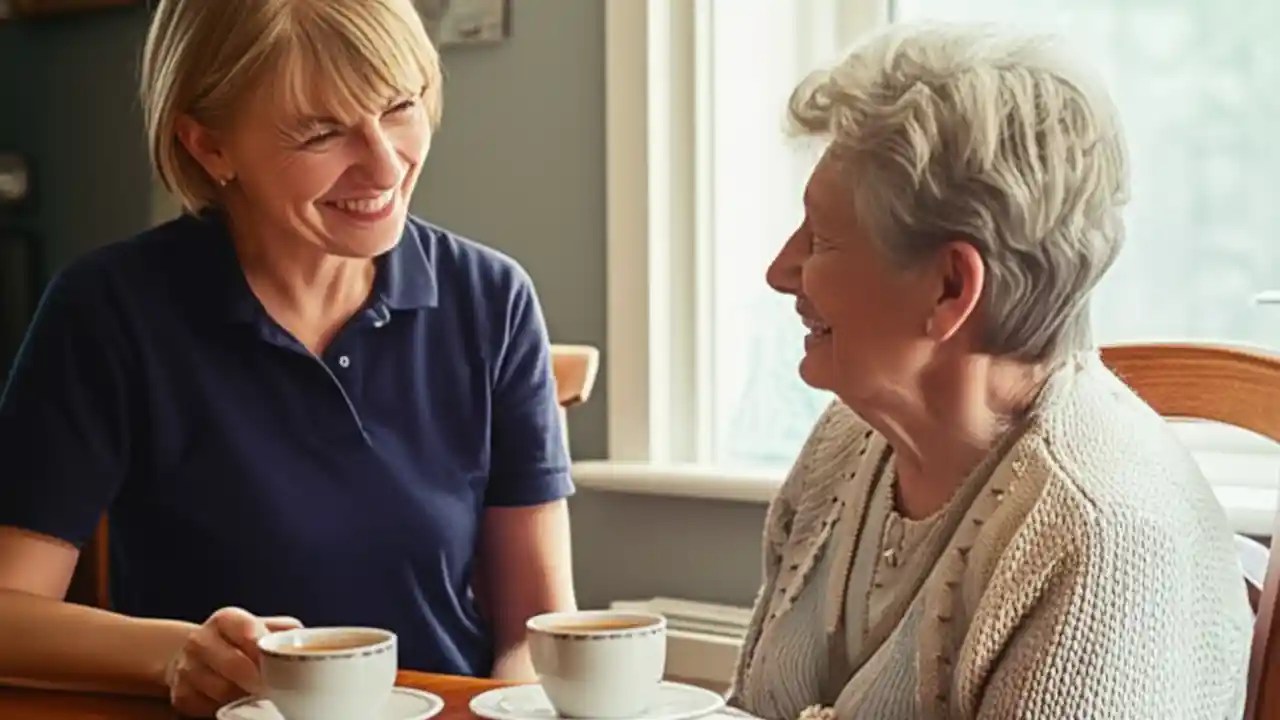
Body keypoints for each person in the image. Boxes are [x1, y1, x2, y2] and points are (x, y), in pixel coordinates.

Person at [0, 0, 576, 716]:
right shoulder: (109, 310)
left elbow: (535, 630)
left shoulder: (493, 299)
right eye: (323, 132)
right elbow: (8, 611)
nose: (384, 162)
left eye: (399, 106)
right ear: (210, 146)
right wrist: (176, 654)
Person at [728, 22, 1252, 720]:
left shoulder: (1104, 538)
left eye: (820, 238)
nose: (779, 270)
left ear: (949, 287)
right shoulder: (847, 442)